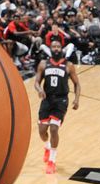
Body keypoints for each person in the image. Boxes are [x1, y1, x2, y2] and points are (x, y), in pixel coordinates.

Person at [33, 41, 81, 175]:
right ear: (50, 48)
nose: (56, 49)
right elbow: (36, 82)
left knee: (54, 128)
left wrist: (76, 99)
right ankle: (47, 146)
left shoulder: (68, 65)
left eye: (58, 47)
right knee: (42, 131)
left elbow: (77, 84)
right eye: (53, 46)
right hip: (47, 99)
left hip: (61, 100)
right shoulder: (43, 64)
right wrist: (39, 90)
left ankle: (52, 161)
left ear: (62, 49)